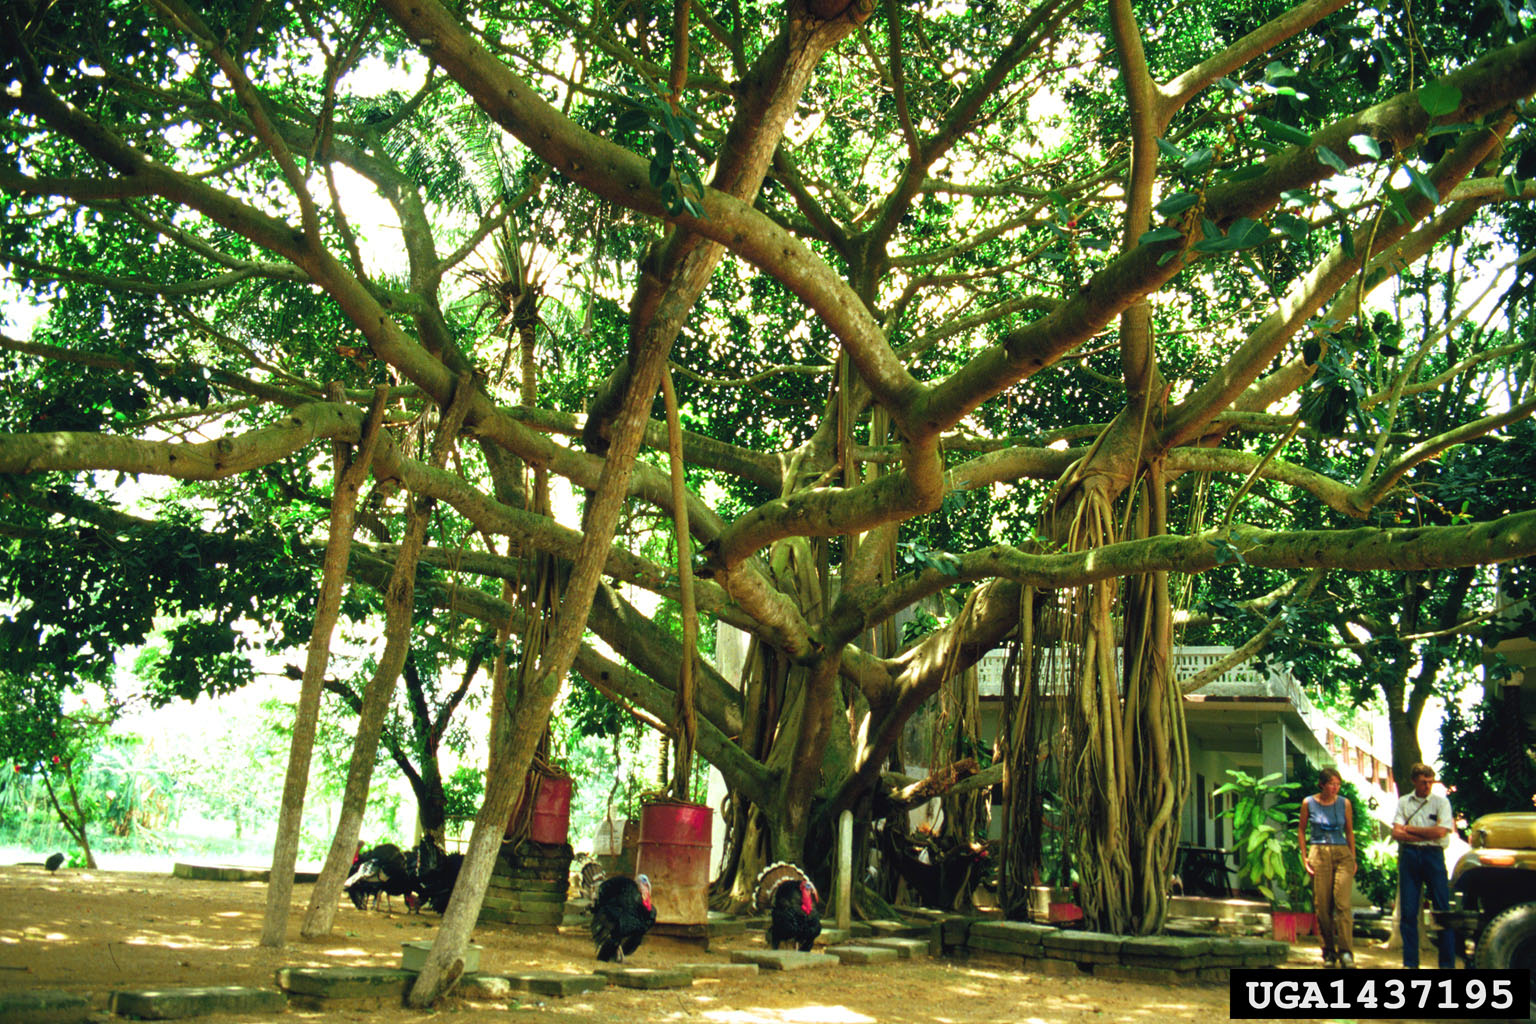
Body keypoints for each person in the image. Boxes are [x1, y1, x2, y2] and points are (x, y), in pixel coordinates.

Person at [1392, 762, 1457, 969]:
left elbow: (1441, 832)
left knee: (1442, 910)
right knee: (1408, 911)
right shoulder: (1404, 802)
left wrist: (1410, 829)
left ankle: (1446, 964)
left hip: (1433, 855)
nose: (1427, 786)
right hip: (1410, 856)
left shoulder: (1441, 802)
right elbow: (1396, 832)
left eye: (1430, 782)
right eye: (1423, 782)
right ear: (1414, 782)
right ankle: (1410, 963)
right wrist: (1425, 833)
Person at [1298, 766, 1357, 968]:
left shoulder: (1344, 803)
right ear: (1322, 784)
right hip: (1319, 852)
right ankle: (1329, 951)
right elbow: (1301, 830)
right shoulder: (1308, 803)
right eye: (1331, 784)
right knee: (1322, 906)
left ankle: (1346, 952)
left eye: (1338, 784)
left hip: (1342, 853)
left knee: (1343, 904)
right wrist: (1305, 857)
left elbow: (1349, 831)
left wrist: (1353, 857)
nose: (1335, 788)